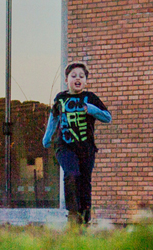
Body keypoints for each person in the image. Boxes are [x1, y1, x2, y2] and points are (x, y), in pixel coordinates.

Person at [42, 62, 111, 224]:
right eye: (74, 76)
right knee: (71, 174)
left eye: (81, 76)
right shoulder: (61, 98)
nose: (77, 79)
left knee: (84, 181)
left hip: (87, 149)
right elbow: (54, 118)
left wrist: (92, 109)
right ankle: (73, 213)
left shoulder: (91, 98)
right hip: (64, 146)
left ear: (86, 81)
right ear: (67, 80)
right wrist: (46, 139)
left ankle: (84, 217)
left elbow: (107, 117)